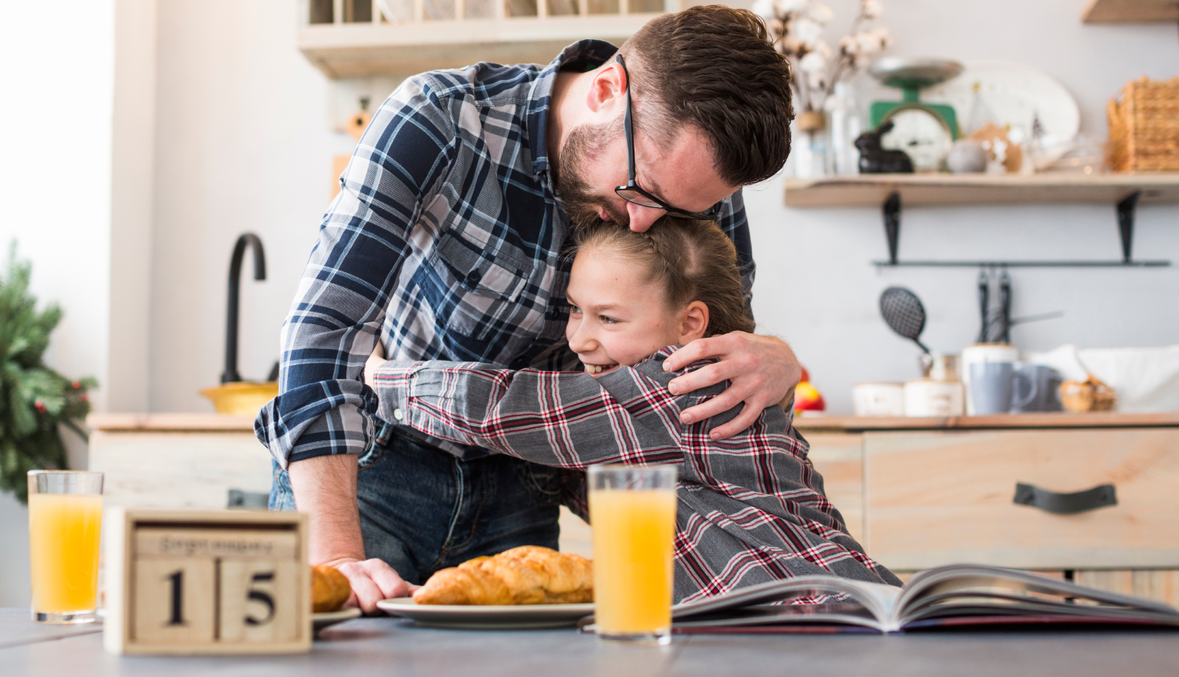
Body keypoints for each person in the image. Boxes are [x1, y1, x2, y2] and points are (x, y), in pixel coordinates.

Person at [255, 5, 802, 611]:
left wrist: (777, 363)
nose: (647, 222)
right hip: (374, 469)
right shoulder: (440, 118)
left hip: (527, 483)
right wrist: (335, 554)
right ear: (606, 90)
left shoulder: (685, 187)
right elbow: (325, 330)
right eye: (639, 192)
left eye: (675, 210)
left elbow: (703, 382)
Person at [366, 218, 900, 601]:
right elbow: (594, 474)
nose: (578, 339)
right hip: (824, 599)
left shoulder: (674, 385)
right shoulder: (714, 385)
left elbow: (511, 408)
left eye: (609, 320)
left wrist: (382, 378)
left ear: (690, 324)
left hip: (807, 611)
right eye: (575, 310)